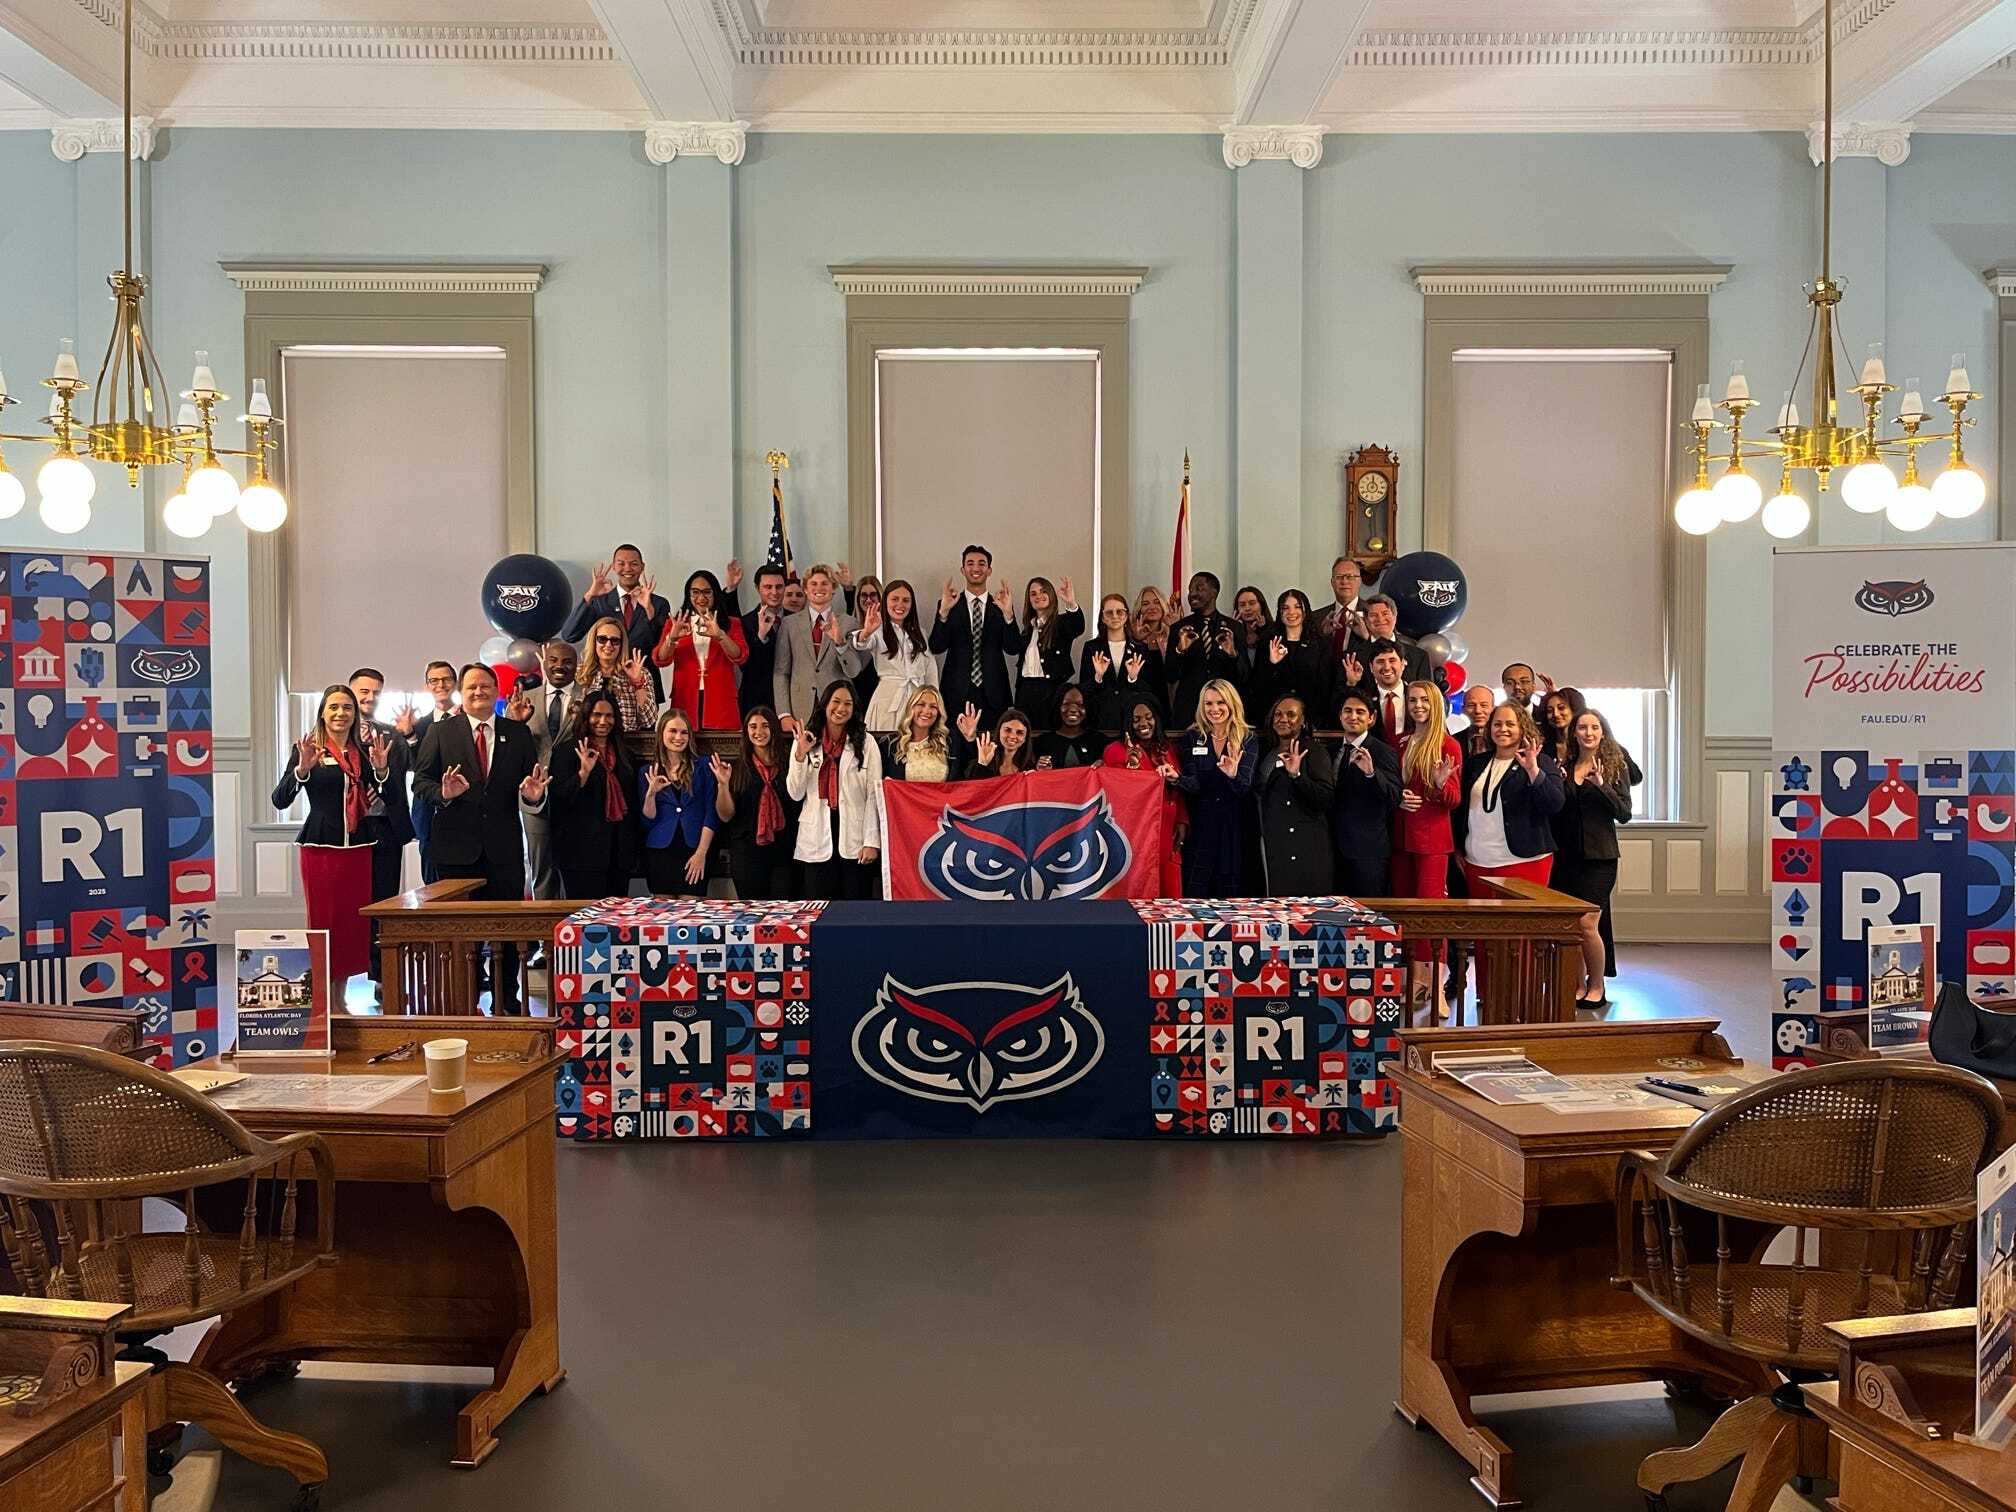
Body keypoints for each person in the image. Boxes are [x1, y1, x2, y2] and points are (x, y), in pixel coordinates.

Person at [412, 664, 551, 1014]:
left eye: (486, 686)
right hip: (455, 851)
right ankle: (465, 1001)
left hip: (503, 850)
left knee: (505, 929)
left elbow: (531, 787)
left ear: (496, 690)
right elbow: (421, 782)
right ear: (462, 691)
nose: (479, 692)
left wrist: (533, 797)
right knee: (463, 934)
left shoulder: (517, 733)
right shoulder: (441, 732)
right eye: (472, 686)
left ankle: (506, 999)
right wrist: (444, 793)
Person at [274, 684, 393, 992]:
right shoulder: (309, 749)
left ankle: (341, 996)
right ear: (323, 713)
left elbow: (384, 797)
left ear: (355, 715)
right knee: (325, 922)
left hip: (359, 847)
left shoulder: (363, 753)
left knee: (353, 926)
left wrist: (381, 771)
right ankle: (324, 998)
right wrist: (301, 770)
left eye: (347, 708)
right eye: (334, 707)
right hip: (321, 848)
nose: (341, 713)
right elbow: (279, 800)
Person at [1552, 709, 1634, 1006]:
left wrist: (1601, 786)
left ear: (1603, 732)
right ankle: (1575, 984)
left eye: (1594, 727)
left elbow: (1624, 813)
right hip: (1567, 857)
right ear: (1574, 733)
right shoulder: (1566, 765)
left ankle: (1596, 984)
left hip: (1600, 859)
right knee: (1571, 926)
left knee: (1588, 924)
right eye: (1582, 727)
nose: (1588, 733)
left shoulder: (1614, 766)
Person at [1392, 680, 1463, 1016]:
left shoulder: (1448, 744)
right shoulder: (1401, 741)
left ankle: (1436, 983)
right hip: (1402, 837)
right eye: (1412, 700)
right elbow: (1394, 787)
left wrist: (1438, 785)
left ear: (1436, 704)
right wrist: (1398, 798)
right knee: (1407, 910)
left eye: (1424, 700)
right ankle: (1416, 981)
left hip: (1433, 840)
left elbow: (1453, 798)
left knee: (1431, 912)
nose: (1418, 705)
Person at [786, 680, 883, 900]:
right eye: (836, 702)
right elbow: (795, 793)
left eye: (847, 704)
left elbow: (874, 795)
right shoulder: (806, 739)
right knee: (818, 910)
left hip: (855, 838)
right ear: (825, 704)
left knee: (855, 911)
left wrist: (871, 842)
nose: (841, 709)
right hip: (817, 837)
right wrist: (800, 756)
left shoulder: (866, 742)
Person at [1460, 702, 1565, 893]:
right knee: (1482, 922)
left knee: (1521, 923)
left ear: (1523, 727)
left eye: (1510, 724)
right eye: (1497, 724)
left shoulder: (1541, 761)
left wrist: (1533, 770)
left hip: (1524, 861)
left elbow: (1554, 804)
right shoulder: (1476, 763)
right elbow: (1463, 809)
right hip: (1477, 861)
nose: (1503, 729)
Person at [545, 689, 639, 899]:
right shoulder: (567, 751)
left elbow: (632, 802)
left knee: (616, 922)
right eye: (597, 715)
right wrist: (583, 774)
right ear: (586, 717)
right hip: (580, 854)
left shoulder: (625, 754)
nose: (603, 721)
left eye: (609, 715)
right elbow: (558, 799)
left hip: (618, 853)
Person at [343, 668, 414, 939]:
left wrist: (409, 735)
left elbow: (415, 768)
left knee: (384, 901)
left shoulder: (391, 735)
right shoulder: (335, 734)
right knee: (351, 902)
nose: (370, 697)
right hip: (349, 828)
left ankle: (381, 972)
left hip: (387, 827)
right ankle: (348, 969)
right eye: (364, 691)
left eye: (376, 692)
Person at [1176, 677, 1256, 898]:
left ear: (1231, 704)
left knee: (1232, 895)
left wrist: (1232, 775)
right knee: (1196, 892)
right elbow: (1194, 786)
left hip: (1234, 827)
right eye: (1208, 703)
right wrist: (1176, 778)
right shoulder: (1193, 737)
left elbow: (1243, 788)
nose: (1215, 709)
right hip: (1201, 826)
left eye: (1221, 702)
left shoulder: (1247, 738)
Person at [930, 545, 1024, 729]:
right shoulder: (949, 604)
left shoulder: (1000, 604)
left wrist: (1008, 616)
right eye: (970, 563)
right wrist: (943, 613)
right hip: (956, 691)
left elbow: (1013, 649)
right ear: (962, 570)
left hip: (994, 692)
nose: (976, 568)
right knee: (958, 749)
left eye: (982, 564)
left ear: (989, 570)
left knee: (992, 748)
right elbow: (936, 646)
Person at [563, 544, 672, 698]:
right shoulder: (601, 602)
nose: (627, 569)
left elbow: (660, 650)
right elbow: (570, 635)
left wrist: (649, 610)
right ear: (614, 567)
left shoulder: (659, 604)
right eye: (621, 563)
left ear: (642, 567)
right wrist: (589, 596)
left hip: (643, 685)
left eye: (634, 564)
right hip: (605, 687)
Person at [518, 640, 582, 900]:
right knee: (540, 866)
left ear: (576, 666)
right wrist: (515, 722)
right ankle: (545, 936)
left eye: (567, 662)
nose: (560, 667)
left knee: (574, 865)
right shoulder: (525, 700)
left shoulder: (587, 697)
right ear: (544, 663)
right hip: (535, 795)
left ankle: (573, 933)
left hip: (575, 791)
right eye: (553, 660)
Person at [1104, 699, 1186, 898]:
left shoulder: (1167, 749)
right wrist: (1132, 766)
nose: (1143, 723)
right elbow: (1117, 791)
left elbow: (1178, 787)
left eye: (1149, 718)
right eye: (1136, 719)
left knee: (1171, 897)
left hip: (1168, 832)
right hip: (1137, 833)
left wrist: (1182, 820)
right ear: (1127, 724)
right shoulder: (1115, 750)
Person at [1254, 696, 1335, 897]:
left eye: (1291, 714)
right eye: (1278, 714)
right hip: (1273, 842)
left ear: (1303, 721)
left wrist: (1296, 776)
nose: (1283, 719)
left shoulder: (1313, 751)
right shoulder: (1267, 752)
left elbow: (1325, 798)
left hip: (1304, 846)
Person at [716, 705, 798, 901]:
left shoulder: (789, 764)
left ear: (774, 730)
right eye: (753, 727)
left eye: (765, 726)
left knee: (782, 910)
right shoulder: (737, 768)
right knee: (751, 913)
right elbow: (725, 815)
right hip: (747, 852)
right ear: (746, 731)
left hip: (784, 850)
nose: (759, 732)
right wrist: (723, 785)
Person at [638, 709, 720, 897]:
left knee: (691, 917)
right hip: (660, 852)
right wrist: (650, 794)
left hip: (694, 850)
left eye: (684, 732)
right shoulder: (647, 771)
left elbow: (711, 813)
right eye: (673, 731)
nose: (678, 737)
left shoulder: (703, 767)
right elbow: (647, 821)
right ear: (662, 734)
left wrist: (701, 853)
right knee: (662, 919)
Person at [653, 569, 748, 731]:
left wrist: (720, 636)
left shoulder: (731, 623)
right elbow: (661, 659)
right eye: (695, 592)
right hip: (685, 699)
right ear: (688, 595)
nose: (701, 598)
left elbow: (740, 656)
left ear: (715, 594)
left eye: (707, 592)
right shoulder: (677, 622)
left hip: (720, 702)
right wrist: (672, 638)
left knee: (723, 753)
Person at [772, 564, 864, 728]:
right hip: (799, 711)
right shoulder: (789, 624)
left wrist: (840, 642)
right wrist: (784, 714)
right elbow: (781, 672)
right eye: (813, 584)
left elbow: (854, 671)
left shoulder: (849, 622)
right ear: (806, 589)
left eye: (825, 584)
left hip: (837, 709)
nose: (819, 588)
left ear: (833, 589)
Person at [1329, 688, 1401, 898]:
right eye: (1347, 711)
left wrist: (1371, 773)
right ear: (1340, 715)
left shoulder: (1382, 752)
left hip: (1368, 851)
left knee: (1368, 917)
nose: (1353, 716)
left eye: (1360, 712)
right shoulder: (1331, 750)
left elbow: (1394, 796)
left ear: (1371, 718)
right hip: (1333, 848)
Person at [853, 578, 938, 735]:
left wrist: (933, 700)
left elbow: (930, 669)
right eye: (895, 599)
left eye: (906, 600)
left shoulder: (920, 632)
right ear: (885, 602)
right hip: (888, 699)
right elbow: (861, 643)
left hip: (917, 698)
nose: (900, 605)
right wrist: (866, 631)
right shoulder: (877, 630)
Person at [400, 658, 458, 883]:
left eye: (446, 679)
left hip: (460, 810)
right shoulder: (417, 726)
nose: (440, 685)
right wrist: (409, 736)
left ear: (455, 683)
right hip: (426, 809)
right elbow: (415, 768)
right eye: (434, 681)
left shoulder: (468, 719)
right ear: (426, 686)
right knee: (430, 877)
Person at [1164, 572, 1240, 729]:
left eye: (1199, 588)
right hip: (1188, 712)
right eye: (1190, 589)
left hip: (1224, 711)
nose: (1192, 594)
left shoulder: (1234, 628)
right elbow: (1170, 675)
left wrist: (1232, 654)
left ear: (1214, 592)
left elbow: (1243, 676)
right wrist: (1180, 650)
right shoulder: (1179, 629)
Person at [1080, 592, 1164, 732]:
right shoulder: (1091, 647)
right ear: (1103, 618)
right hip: (1101, 718)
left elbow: (1149, 689)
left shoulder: (1140, 648)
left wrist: (1133, 678)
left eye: (1119, 612)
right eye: (1109, 613)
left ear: (1126, 616)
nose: (1115, 616)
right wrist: (1098, 677)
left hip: (1131, 720)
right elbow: (1084, 689)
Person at [1013, 576, 1083, 731]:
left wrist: (1071, 603)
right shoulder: (1028, 629)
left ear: (1051, 594)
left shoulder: (1061, 624)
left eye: (1043, 591)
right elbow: (1012, 647)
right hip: (1025, 691)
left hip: (1051, 690)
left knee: (1048, 734)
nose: (1038, 596)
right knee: (1025, 736)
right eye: (1033, 593)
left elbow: (1077, 627)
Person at [578, 614, 659, 746]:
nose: (608, 645)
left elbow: (648, 720)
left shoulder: (640, 672)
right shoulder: (580, 673)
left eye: (615, 641)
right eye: (602, 639)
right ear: (594, 641)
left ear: (622, 645)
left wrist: (638, 683)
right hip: (588, 743)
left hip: (626, 745)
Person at [1252, 588, 1331, 721]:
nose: (1291, 612)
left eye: (1297, 607)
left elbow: (1325, 684)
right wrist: (1273, 664)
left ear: (1305, 611)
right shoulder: (1268, 640)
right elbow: (1258, 684)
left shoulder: (1320, 642)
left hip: (1311, 716)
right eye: (1286, 608)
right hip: (1276, 716)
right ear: (1280, 612)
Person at [726, 560, 787, 705]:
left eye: (779, 587)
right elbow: (746, 666)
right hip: (755, 702)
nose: (774, 592)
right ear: (757, 588)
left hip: (790, 703)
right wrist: (761, 637)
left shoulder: (797, 620)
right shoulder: (744, 623)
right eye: (768, 587)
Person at [1345, 594, 1435, 688]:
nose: (1380, 619)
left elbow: (1429, 697)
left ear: (1395, 618)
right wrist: (1351, 684)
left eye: (1385, 613)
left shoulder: (1419, 656)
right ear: (1366, 621)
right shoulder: (1352, 657)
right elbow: (1338, 698)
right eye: (1373, 615)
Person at [887, 687, 957, 782]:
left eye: (933, 707)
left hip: (941, 797)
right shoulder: (890, 744)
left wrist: (970, 737)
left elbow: (965, 777)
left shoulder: (949, 741)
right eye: (921, 704)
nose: (927, 711)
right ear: (910, 708)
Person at [1354, 641, 1411, 748]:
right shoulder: (1363, 699)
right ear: (1371, 667)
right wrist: (1351, 684)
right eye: (1380, 662)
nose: (1387, 667)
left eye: (1392, 660)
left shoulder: (1418, 696)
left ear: (1403, 664)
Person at [1033, 687, 1102, 769]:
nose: (1073, 709)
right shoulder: (1042, 742)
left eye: (1080, 705)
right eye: (1066, 704)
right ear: (1057, 707)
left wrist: (1104, 765)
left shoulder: (1100, 741)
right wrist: (1038, 768)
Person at [963, 707, 1036, 779]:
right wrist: (982, 764)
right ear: (999, 731)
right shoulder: (982, 757)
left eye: (1020, 732)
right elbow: (975, 788)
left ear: (1025, 738)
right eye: (1007, 730)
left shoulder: (1031, 768)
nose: (1013, 736)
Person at [1313, 555, 1368, 647]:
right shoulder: (1316, 618)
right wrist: (1322, 635)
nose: (1344, 581)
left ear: (1359, 581)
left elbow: (1387, 649)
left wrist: (1367, 636)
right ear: (1332, 582)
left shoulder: (1373, 614)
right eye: (1339, 577)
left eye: (1350, 577)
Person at [1229, 585, 1273, 685]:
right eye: (1242, 605)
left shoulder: (1273, 631)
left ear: (1261, 606)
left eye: (1252, 603)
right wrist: (1234, 630)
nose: (1247, 608)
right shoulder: (1230, 633)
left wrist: (1263, 631)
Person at [1538, 687, 1589, 769]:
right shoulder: (1542, 747)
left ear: (1574, 709)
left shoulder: (1586, 743)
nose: (1556, 714)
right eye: (1550, 711)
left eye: (1561, 708)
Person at [1131, 585, 1172, 658]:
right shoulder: (1130, 634)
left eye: (1157, 602)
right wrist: (1136, 640)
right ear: (1139, 609)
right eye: (1145, 604)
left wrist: (1175, 627)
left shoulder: (1170, 633)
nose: (1152, 607)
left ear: (1163, 606)